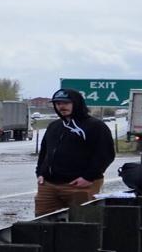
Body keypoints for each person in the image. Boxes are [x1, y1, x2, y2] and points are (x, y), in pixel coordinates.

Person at [34, 88, 115, 217]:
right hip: (48, 186)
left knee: (82, 223)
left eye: (66, 103)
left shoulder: (95, 126)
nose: (62, 106)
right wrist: (40, 172)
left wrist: (88, 177)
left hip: (79, 186)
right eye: (58, 103)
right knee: (42, 224)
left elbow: (105, 154)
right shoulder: (54, 126)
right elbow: (44, 152)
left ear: (76, 103)